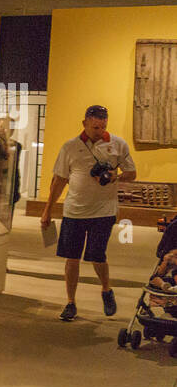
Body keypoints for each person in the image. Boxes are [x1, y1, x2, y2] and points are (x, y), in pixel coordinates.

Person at [40, 105, 136, 321]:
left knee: (96, 255)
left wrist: (115, 176)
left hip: (104, 211)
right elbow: (59, 180)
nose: (99, 131)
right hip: (74, 210)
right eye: (95, 127)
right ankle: (71, 303)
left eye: (102, 127)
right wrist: (47, 210)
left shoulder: (118, 144)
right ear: (84, 123)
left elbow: (132, 173)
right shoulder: (70, 147)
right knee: (72, 258)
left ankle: (106, 290)